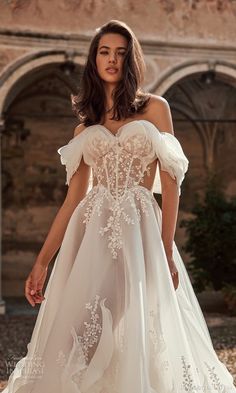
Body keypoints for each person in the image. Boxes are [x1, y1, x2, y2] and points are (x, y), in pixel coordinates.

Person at [2, 19, 236, 393]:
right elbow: (72, 200)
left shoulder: (155, 109)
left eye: (121, 53)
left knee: (135, 329)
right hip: (90, 233)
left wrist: (165, 250)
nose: (112, 59)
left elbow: (171, 185)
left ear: (131, 60)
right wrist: (42, 262)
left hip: (140, 232)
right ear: (94, 59)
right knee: (77, 331)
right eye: (104, 52)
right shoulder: (85, 127)